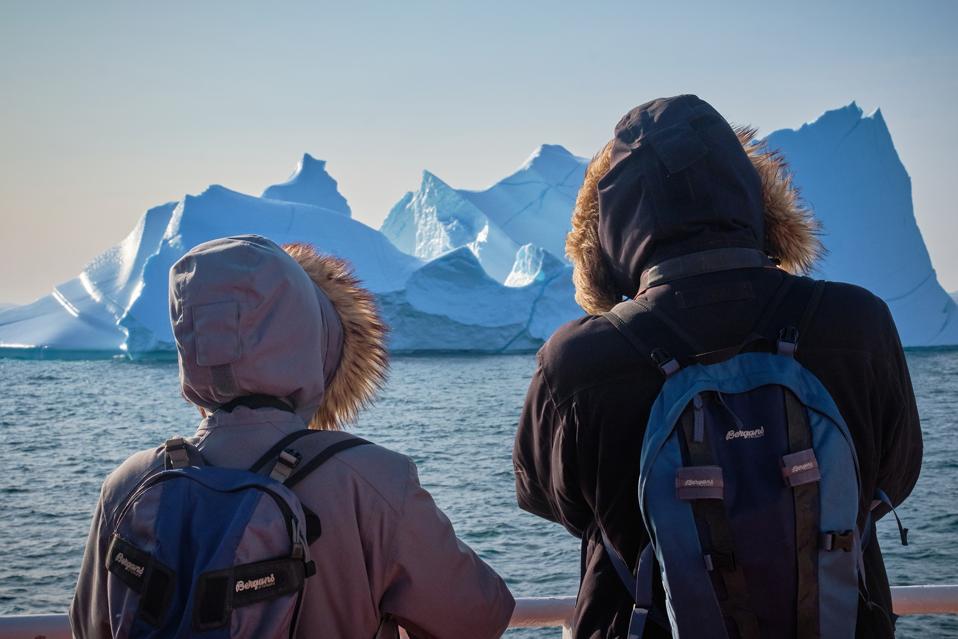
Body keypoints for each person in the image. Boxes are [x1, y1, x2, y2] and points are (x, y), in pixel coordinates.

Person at [513, 95, 922, 638]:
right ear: (756, 195)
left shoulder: (576, 361)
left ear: (607, 224)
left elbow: (548, 500)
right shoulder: (857, 322)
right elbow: (896, 474)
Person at [71, 234, 515, 639]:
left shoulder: (127, 486)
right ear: (313, 339)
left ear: (190, 341)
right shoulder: (373, 482)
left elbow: (91, 628)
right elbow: (477, 617)